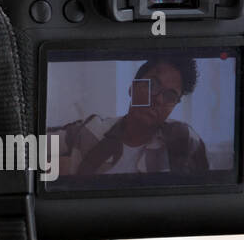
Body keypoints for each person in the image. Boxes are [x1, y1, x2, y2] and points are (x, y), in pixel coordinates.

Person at [52, 57, 208, 177]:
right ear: (132, 88)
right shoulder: (91, 130)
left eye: (170, 96)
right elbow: (32, 146)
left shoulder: (184, 139)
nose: (159, 99)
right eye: (152, 85)